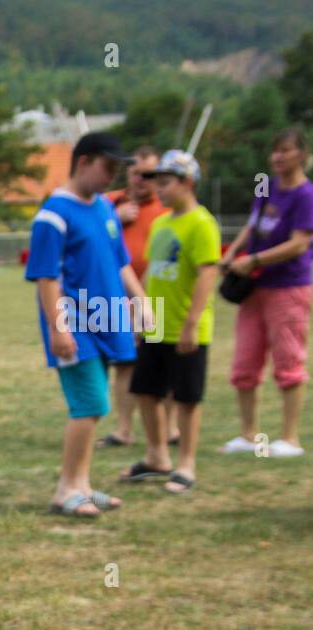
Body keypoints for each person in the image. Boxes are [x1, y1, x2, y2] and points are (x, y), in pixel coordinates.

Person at [24, 131, 153, 518]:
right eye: (108, 167)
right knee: (90, 402)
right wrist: (59, 329)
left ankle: (82, 485)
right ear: (84, 162)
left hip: (107, 319)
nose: (113, 176)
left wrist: (141, 301)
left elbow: (120, 261)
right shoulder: (53, 214)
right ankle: (66, 489)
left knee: (95, 408)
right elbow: (47, 278)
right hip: (75, 322)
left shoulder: (104, 208)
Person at [119, 150, 220, 494]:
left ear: (187, 183)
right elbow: (152, 274)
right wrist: (140, 313)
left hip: (186, 329)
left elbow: (208, 273)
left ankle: (186, 464)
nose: (158, 190)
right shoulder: (161, 223)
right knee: (146, 391)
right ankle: (157, 456)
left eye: (165, 183)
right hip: (155, 327)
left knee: (186, 399)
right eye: (156, 183)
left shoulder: (201, 223)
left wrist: (192, 324)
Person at [219, 127, 313, 457]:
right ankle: (250, 437)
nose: (277, 156)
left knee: (288, 361)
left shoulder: (306, 195)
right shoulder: (265, 185)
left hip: (289, 286)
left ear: (301, 154)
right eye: (275, 150)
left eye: (285, 150)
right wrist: (233, 255)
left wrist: (254, 260)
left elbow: (300, 244)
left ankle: (290, 439)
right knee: (245, 361)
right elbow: (253, 223)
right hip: (255, 286)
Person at [101, 146, 174, 449]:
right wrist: (117, 218)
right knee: (124, 364)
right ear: (128, 173)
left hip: (155, 295)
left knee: (162, 361)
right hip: (118, 296)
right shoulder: (108, 204)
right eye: (137, 173)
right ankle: (124, 429)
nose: (143, 180)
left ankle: (168, 429)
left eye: (150, 175)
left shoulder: (167, 207)